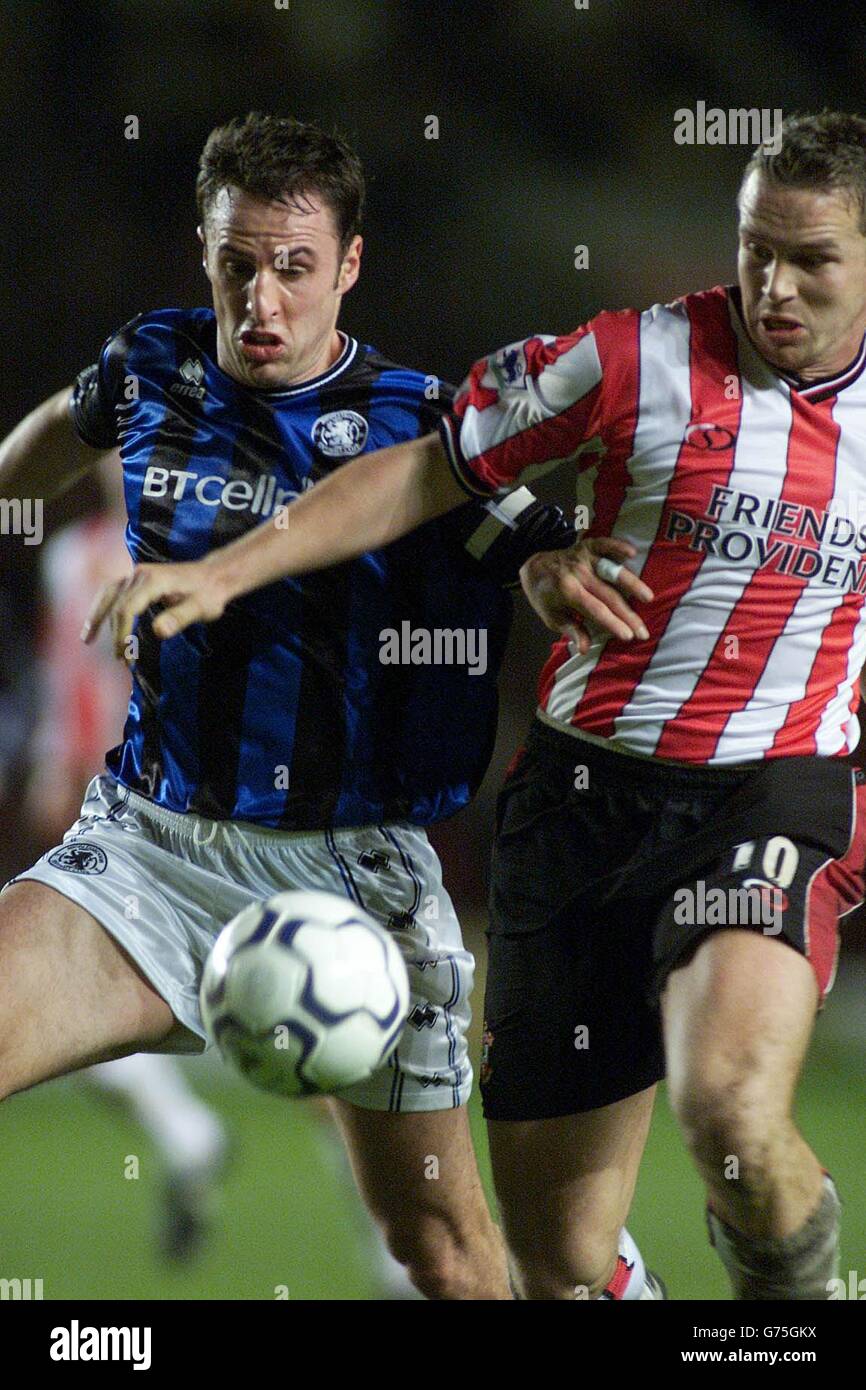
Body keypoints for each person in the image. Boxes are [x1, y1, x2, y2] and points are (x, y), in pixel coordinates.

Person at [96, 111, 866, 1301]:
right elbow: (420, 472)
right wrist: (221, 571)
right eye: (753, 247)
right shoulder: (630, 359)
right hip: (577, 803)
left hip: (769, 791)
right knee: (556, 1261)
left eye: (809, 259)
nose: (770, 283)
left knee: (725, 1105)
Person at [0, 112, 640, 1300]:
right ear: (203, 249)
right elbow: (44, 445)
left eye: (294, 267)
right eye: (236, 262)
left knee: (442, 1257)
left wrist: (551, 565)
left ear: (348, 264)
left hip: (353, 890)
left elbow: (532, 540)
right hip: (148, 851)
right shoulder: (152, 364)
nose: (261, 300)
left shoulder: (424, 426)